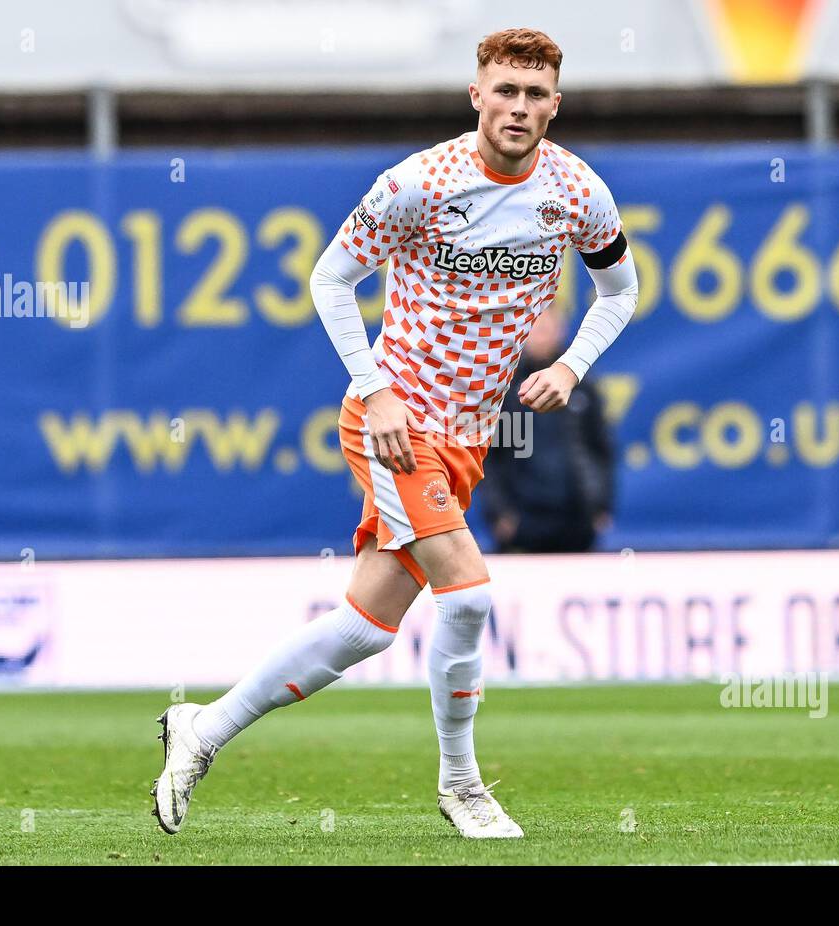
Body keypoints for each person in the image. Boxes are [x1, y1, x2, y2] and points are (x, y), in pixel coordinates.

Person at [151, 26, 638, 839]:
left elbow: (619, 290)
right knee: (472, 593)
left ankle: (200, 729)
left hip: (467, 434)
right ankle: (463, 784)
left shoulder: (579, 192)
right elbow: (330, 277)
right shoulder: (422, 182)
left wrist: (573, 365)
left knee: (362, 630)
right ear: (476, 94)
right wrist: (375, 391)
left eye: (534, 93)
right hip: (399, 421)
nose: (518, 107)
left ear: (557, 103)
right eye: (504, 90)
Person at [481, 303, 615, 553]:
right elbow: (490, 458)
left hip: (577, 519)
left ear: (561, 331)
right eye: (535, 328)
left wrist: (600, 506)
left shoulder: (583, 386)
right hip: (522, 521)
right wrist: (499, 513)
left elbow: (601, 449)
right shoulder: (505, 389)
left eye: (547, 328)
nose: (541, 335)